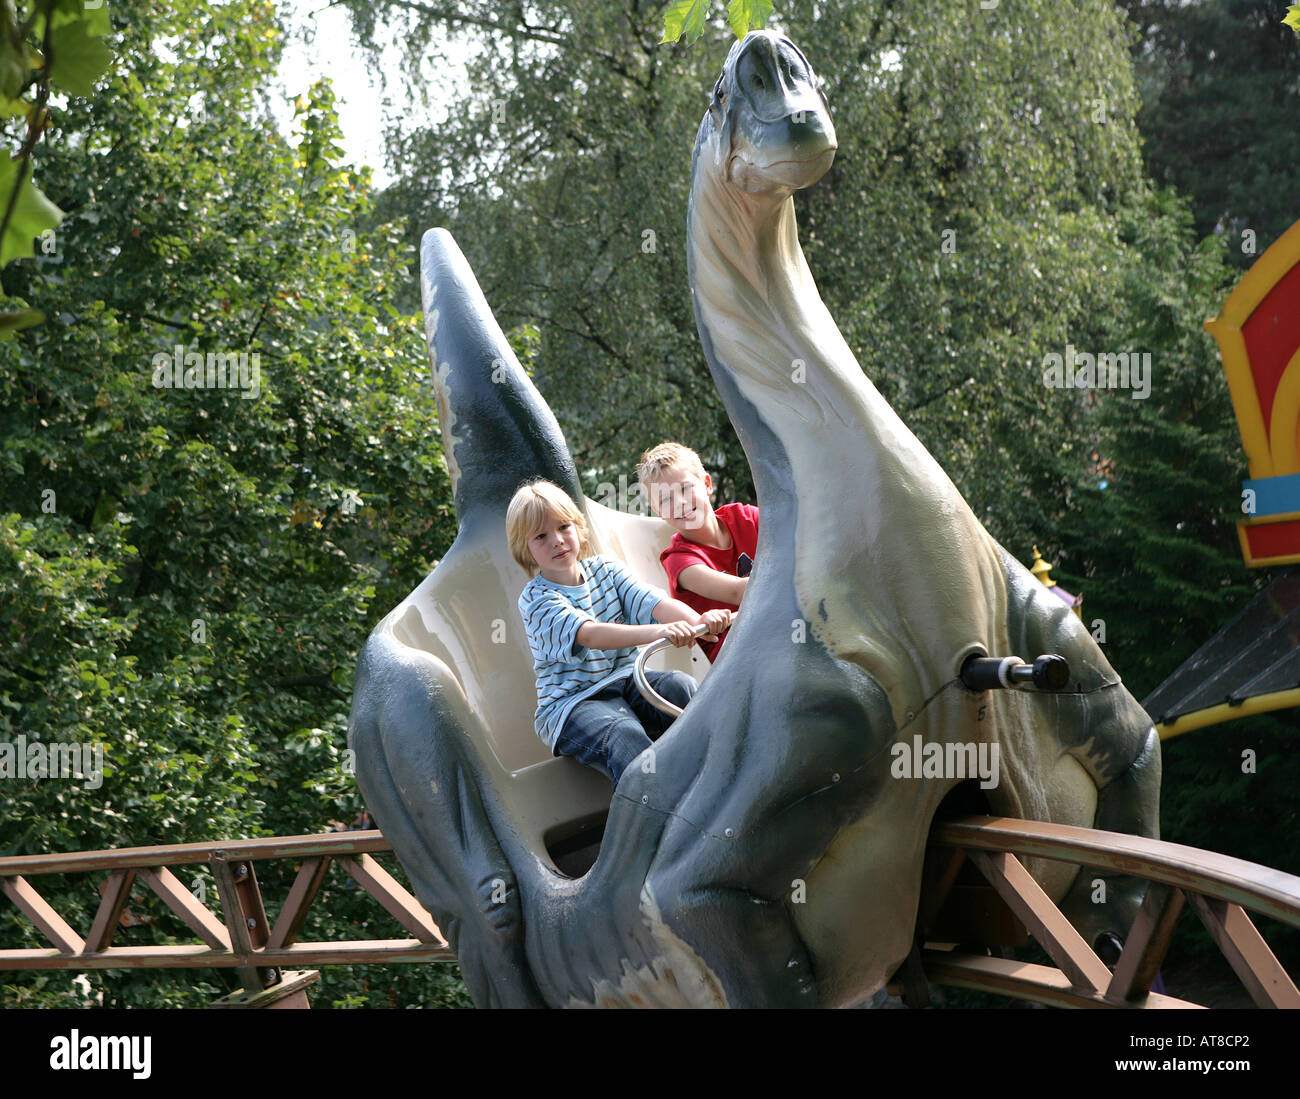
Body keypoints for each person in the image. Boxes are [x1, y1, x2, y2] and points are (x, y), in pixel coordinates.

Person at [507, 479, 731, 785]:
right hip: (574, 704)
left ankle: (720, 777)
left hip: (627, 682)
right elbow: (591, 635)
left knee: (680, 686)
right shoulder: (536, 600)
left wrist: (699, 623)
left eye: (563, 527)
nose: (557, 541)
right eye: (541, 536)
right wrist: (660, 632)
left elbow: (657, 604)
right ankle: (654, 814)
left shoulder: (606, 571)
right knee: (623, 735)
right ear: (525, 549)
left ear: (578, 528)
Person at [637, 442, 758, 663]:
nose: (680, 503)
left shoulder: (747, 518)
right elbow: (738, 593)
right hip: (734, 655)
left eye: (685, 488)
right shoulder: (680, 560)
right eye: (665, 499)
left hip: (777, 624)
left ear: (707, 483)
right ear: (658, 511)